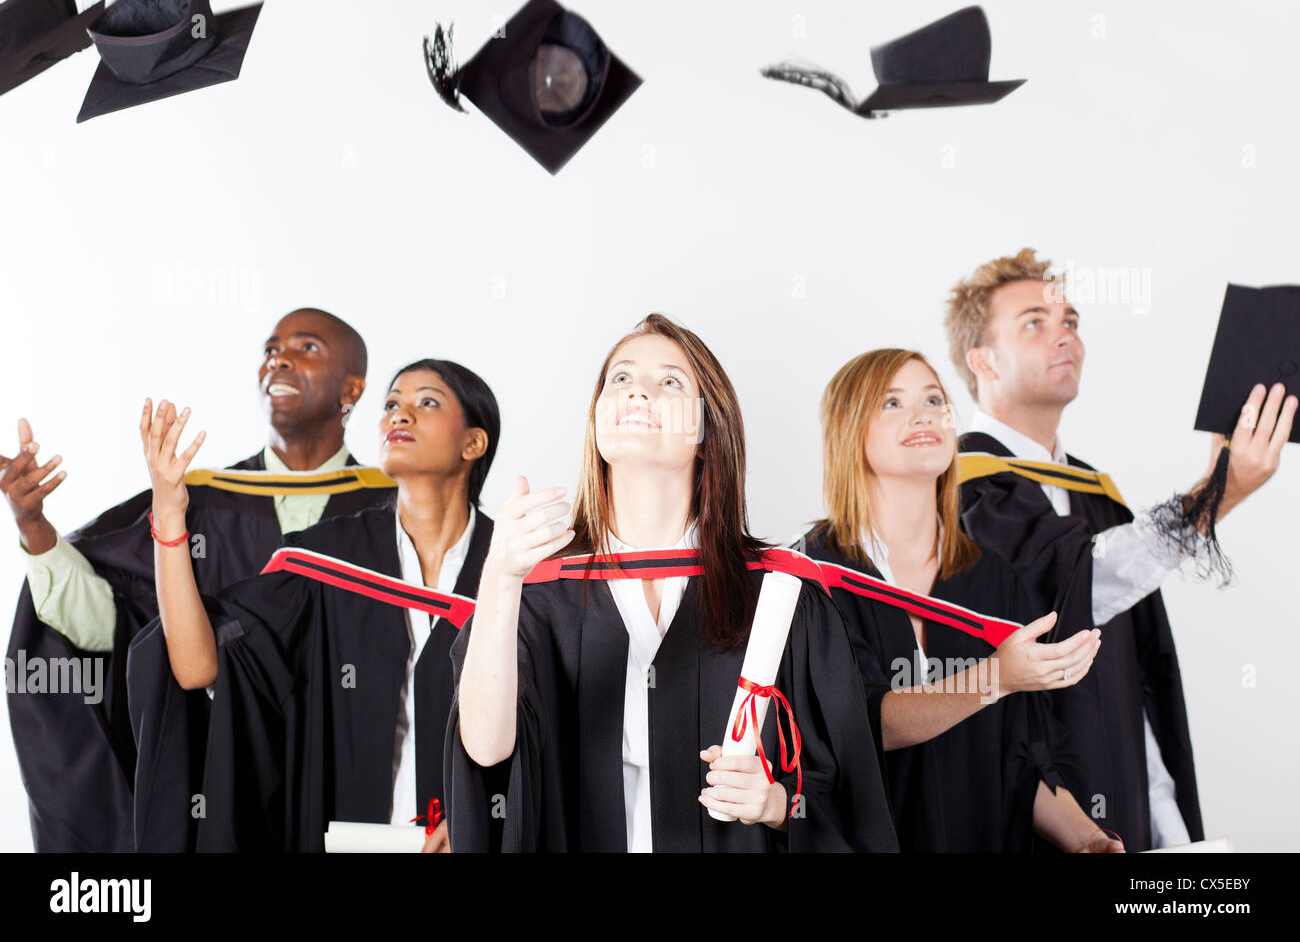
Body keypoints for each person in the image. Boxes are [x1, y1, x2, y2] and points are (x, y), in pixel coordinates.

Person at [450, 313, 899, 852]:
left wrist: (778, 804)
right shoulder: (535, 587)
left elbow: (853, 796)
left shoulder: (780, 590)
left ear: (708, 432)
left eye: (670, 382)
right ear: (597, 422)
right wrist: (499, 580)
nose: (639, 392)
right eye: (621, 378)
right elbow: (486, 749)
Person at [2, 307, 394, 852]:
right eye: (270, 348)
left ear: (353, 388)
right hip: (222, 787)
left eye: (307, 348)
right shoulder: (198, 501)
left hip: (362, 791)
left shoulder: (394, 509)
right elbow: (110, 630)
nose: (277, 357)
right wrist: (34, 525)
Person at [946, 249, 1295, 850]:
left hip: (1131, 813)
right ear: (983, 360)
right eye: (1035, 322)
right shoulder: (962, 486)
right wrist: (1216, 494)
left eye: (1072, 322)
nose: (1065, 337)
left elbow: (1136, 679)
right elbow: (1080, 588)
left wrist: (1172, 832)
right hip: (1019, 808)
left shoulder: (1095, 493)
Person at [131, 358, 498, 852]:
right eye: (391, 404)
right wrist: (169, 516)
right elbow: (196, 667)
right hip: (355, 845)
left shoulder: (513, 569)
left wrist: (478, 820)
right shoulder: (326, 561)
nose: (399, 415)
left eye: (426, 402)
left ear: (473, 442)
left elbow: (558, 732)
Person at [795, 348, 1117, 852]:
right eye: (892, 403)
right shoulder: (813, 577)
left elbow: (1024, 760)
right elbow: (860, 724)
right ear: (848, 431)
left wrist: (1088, 839)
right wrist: (996, 677)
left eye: (933, 400)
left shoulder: (992, 575)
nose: (923, 414)